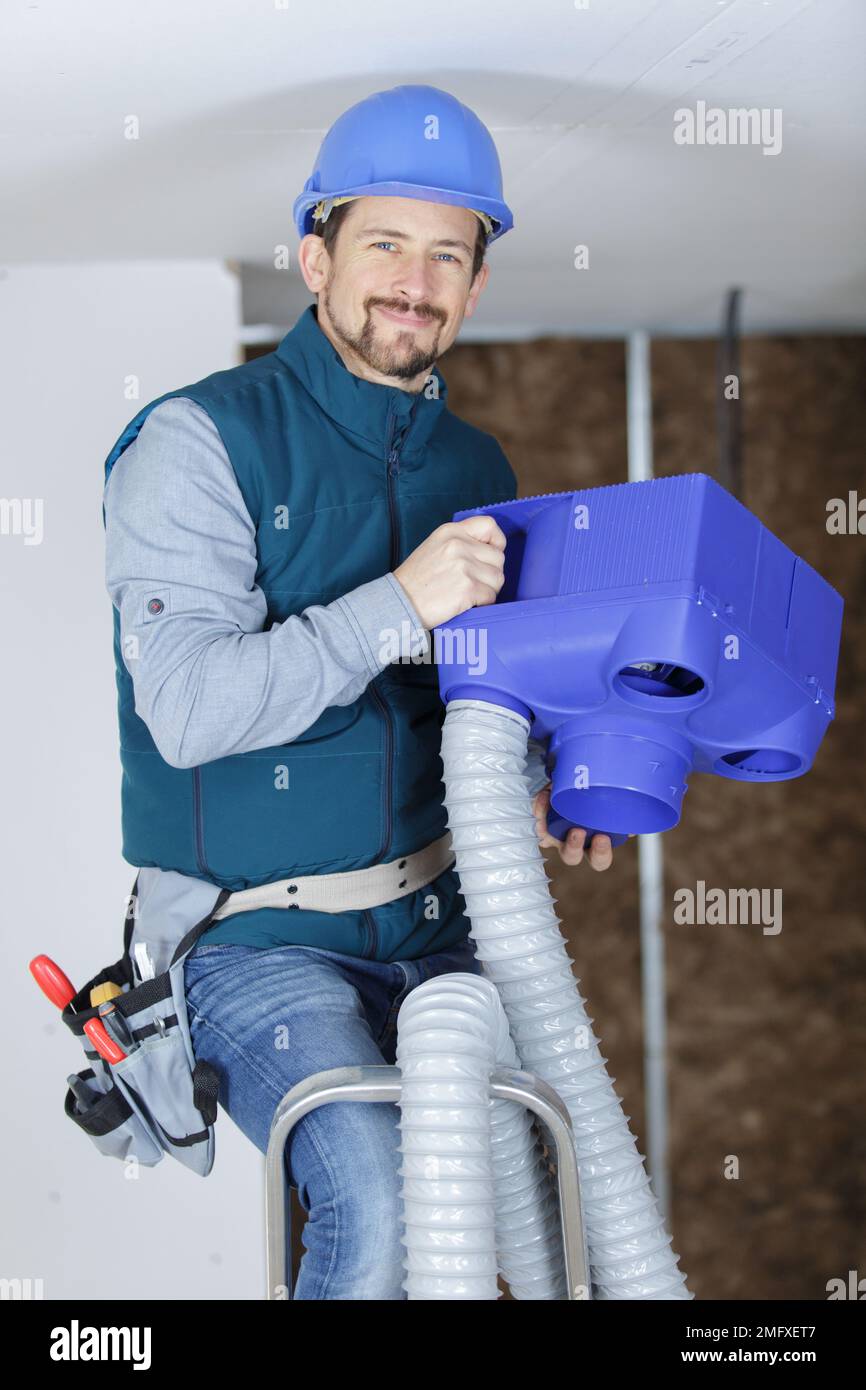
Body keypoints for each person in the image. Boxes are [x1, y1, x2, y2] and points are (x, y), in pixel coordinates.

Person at [102, 84, 621, 1300]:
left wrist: (554, 778)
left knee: (539, 1230)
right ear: (313, 255)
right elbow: (189, 707)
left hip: (443, 932)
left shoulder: (474, 466)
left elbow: (472, 703)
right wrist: (399, 597)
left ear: (475, 287)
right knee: (383, 1204)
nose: (414, 280)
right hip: (255, 937)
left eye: (448, 254)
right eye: (383, 243)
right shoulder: (197, 443)